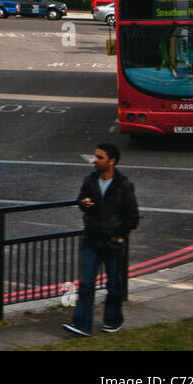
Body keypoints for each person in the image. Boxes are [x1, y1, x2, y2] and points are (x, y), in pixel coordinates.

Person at [64, 142, 139, 337]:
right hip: (91, 239)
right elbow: (82, 199)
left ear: (111, 161)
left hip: (113, 243)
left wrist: (118, 235)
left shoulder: (124, 186)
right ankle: (81, 324)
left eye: (100, 157)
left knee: (114, 285)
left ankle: (112, 321)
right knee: (86, 284)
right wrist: (87, 203)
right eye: (95, 156)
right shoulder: (90, 180)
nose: (95, 160)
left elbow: (132, 217)